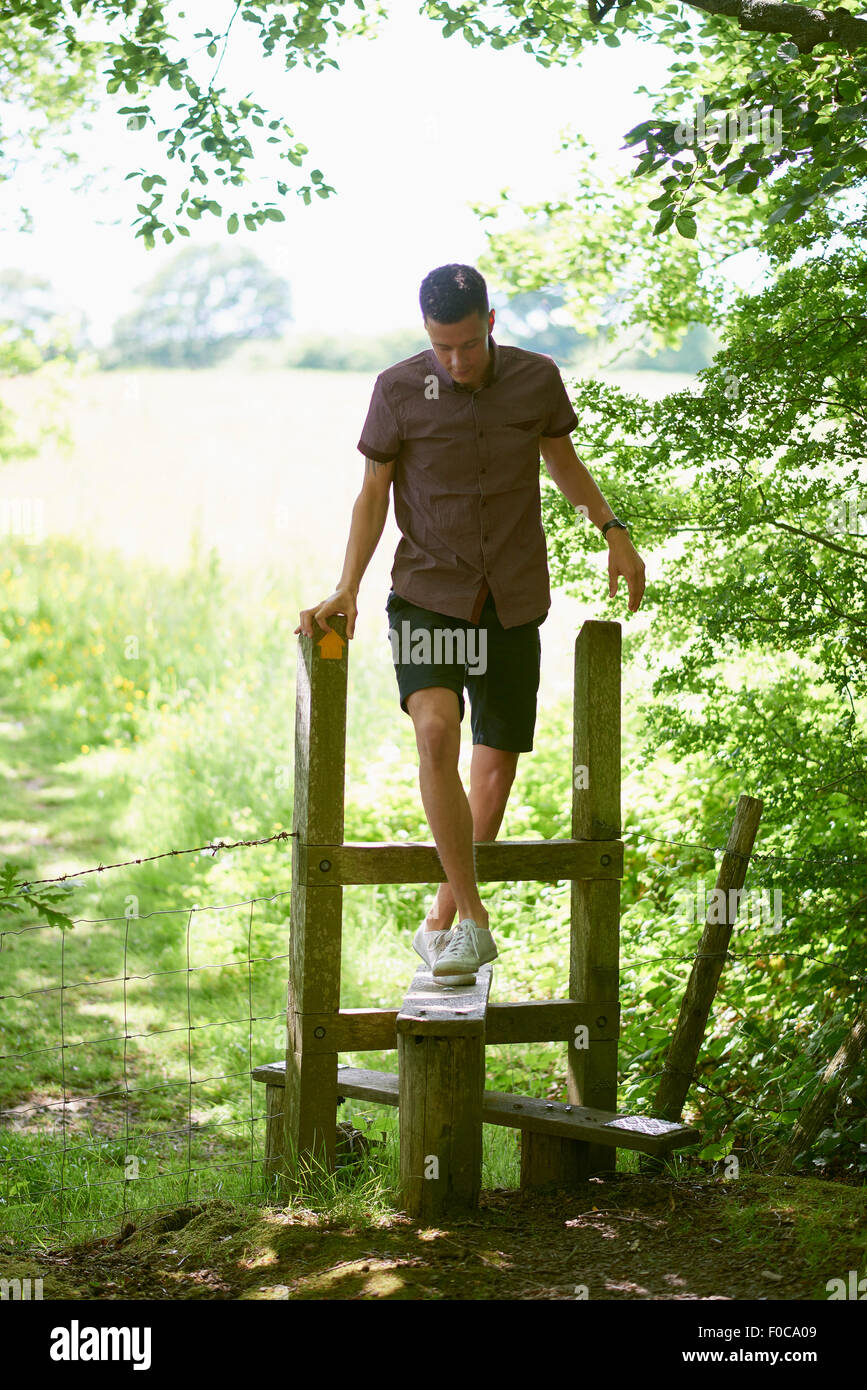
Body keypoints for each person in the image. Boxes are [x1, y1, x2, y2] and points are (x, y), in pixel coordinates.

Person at [295, 263, 646, 985]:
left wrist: (611, 528)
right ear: (426, 334)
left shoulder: (535, 380)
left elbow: (562, 461)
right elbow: (372, 496)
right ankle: (476, 920)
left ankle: (441, 922)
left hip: (513, 596)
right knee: (434, 731)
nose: (454, 361)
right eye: (440, 345)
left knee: (494, 762)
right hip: (428, 591)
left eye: (465, 343)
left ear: (491, 322)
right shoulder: (397, 390)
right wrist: (346, 588)